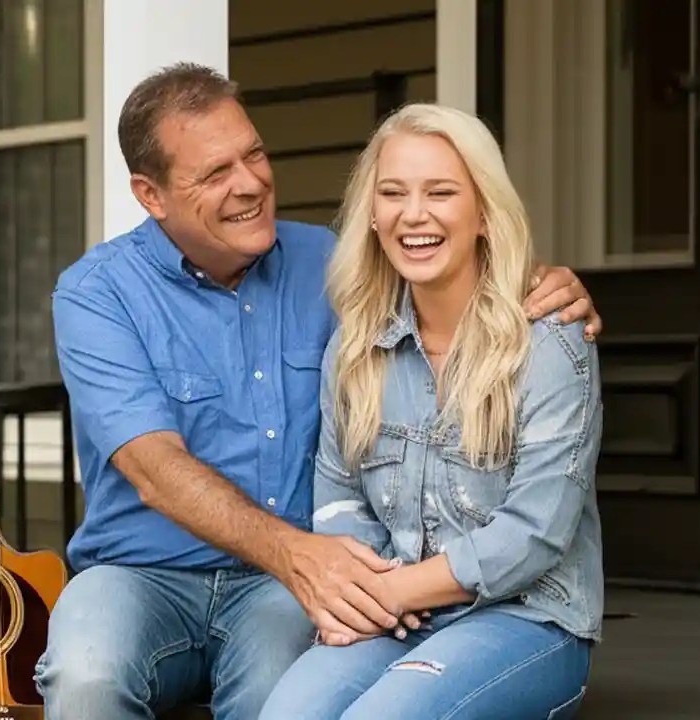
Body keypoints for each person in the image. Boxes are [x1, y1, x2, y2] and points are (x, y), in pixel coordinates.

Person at [34, 63, 602, 720]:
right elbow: (155, 470)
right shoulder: (97, 294)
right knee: (85, 675)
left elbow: (449, 272)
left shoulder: (329, 266)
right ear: (150, 194)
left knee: (278, 694)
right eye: (215, 173)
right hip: (144, 575)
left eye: (253, 155)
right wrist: (306, 558)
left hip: (283, 588)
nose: (250, 183)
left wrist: (542, 283)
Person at [258, 103, 603, 720]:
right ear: (372, 214)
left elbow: (535, 532)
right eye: (393, 193)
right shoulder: (356, 347)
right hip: (397, 617)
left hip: (526, 619)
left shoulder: (549, 341)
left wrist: (390, 592)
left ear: (484, 213)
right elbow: (339, 500)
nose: (413, 214)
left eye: (441, 192)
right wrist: (363, 598)